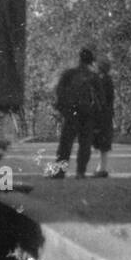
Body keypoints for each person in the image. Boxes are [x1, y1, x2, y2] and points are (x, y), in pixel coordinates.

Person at [50, 47, 99, 178]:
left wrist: (63, 110)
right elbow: (101, 100)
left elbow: (59, 91)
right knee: (85, 144)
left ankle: (59, 172)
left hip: (71, 113)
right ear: (91, 61)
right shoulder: (94, 77)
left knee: (65, 144)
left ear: (80, 59)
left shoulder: (69, 74)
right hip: (87, 114)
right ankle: (80, 172)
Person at [91, 56, 115, 177]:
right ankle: (102, 167)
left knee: (102, 142)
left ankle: (102, 168)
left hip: (102, 114)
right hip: (106, 114)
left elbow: (101, 99)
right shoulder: (107, 80)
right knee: (102, 142)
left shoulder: (103, 81)